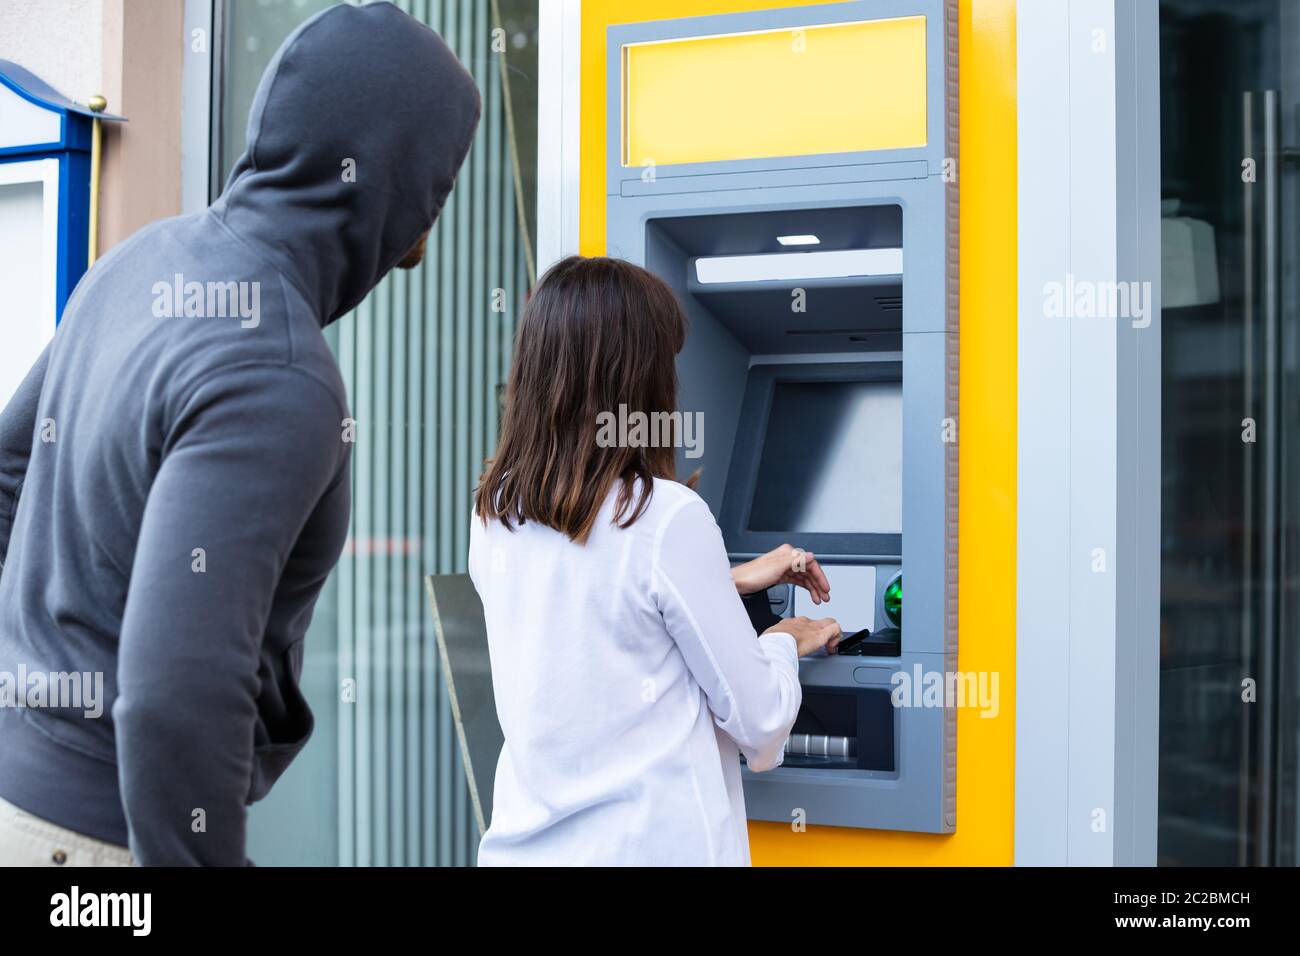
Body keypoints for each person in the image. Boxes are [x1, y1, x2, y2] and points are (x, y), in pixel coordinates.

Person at [0, 2, 480, 866]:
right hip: (100, 848)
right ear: (386, 179)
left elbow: (6, 476)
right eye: (435, 189)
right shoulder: (279, 372)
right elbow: (176, 696)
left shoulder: (139, 263)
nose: (424, 239)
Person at [470, 255, 843, 866]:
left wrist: (725, 583)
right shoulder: (665, 515)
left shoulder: (498, 511)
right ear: (637, 379)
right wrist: (782, 638)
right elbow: (763, 725)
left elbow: (592, 613)